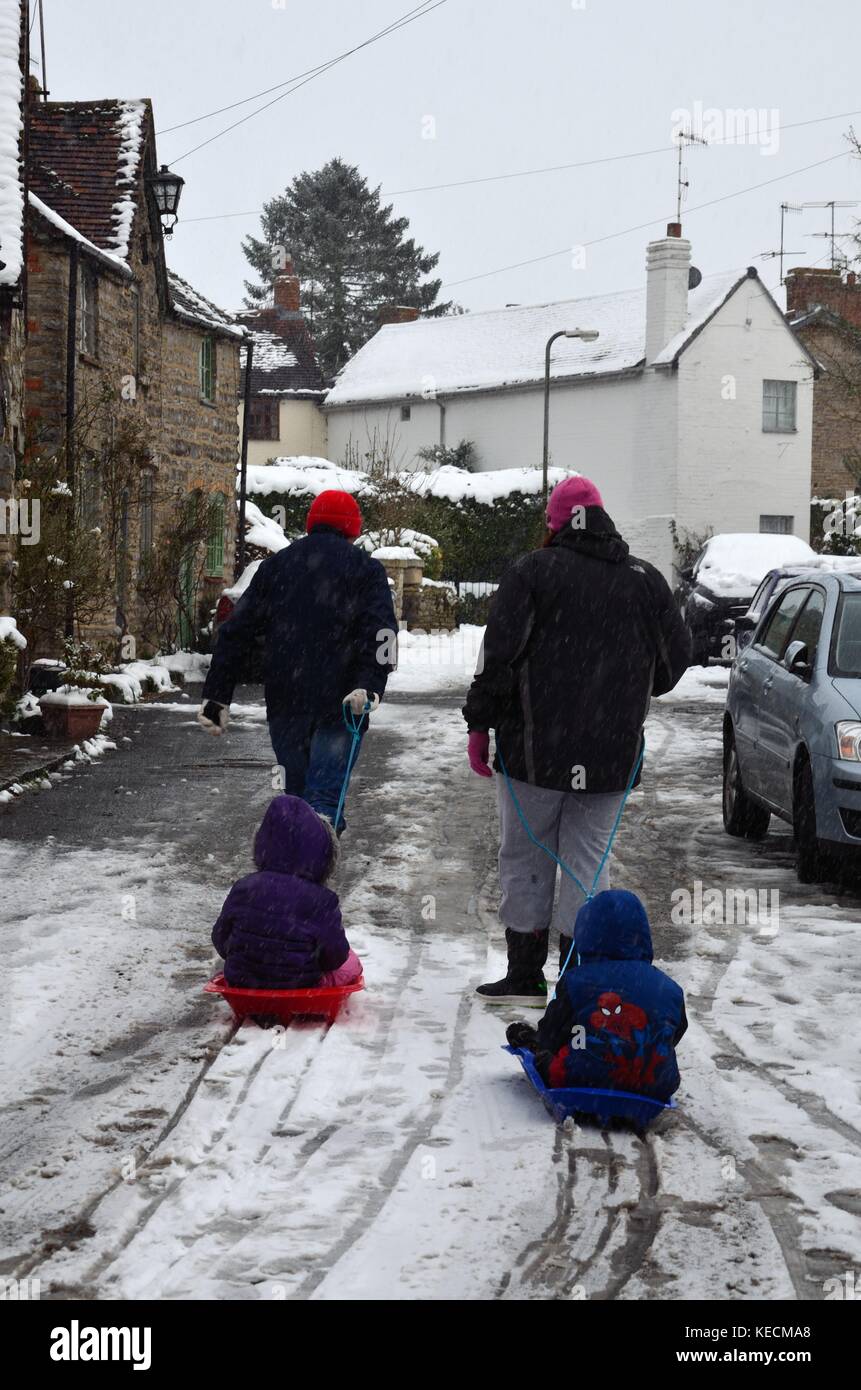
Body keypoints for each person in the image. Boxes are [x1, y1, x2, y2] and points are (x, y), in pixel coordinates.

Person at [464, 475, 691, 1004]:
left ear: (555, 523)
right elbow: (676, 658)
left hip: (532, 755)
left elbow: (498, 660)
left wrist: (480, 726)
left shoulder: (532, 573)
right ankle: (576, 976)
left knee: (524, 858)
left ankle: (523, 974)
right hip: (611, 757)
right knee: (587, 864)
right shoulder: (645, 580)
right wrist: (634, 686)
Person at [199, 489, 397, 833]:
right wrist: (369, 686)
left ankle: (296, 865)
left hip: (286, 702)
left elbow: (235, 632)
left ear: (310, 524)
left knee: (298, 797)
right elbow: (383, 636)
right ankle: (312, 869)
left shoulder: (276, 566)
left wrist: (217, 696)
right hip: (342, 705)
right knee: (324, 801)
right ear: (353, 529)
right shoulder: (367, 571)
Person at [506, 890, 686, 1102]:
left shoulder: (577, 981)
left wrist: (544, 1044)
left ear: (587, 934)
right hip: (657, 1082)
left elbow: (551, 1036)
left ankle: (530, 1043)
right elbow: (676, 1031)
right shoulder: (669, 988)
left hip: (580, 1078)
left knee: (545, 1054)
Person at [211, 794, 362, 991]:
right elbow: (335, 956)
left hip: (243, 981)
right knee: (351, 963)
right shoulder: (321, 900)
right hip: (300, 985)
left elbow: (220, 938)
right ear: (324, 852)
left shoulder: (244, 887)